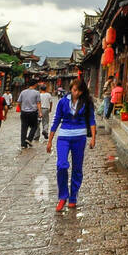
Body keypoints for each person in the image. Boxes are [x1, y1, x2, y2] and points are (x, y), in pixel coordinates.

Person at [48, 77, 97, 212]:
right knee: (62, 165)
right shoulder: (63, 102)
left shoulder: (86, 103)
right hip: (64, 137)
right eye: (73, 90)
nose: (75, 93)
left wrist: (93, 138)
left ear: (81, 92)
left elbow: (91, 120)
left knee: (77, 168)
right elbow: (56, 119)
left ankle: (73, 196)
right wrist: (50, 140)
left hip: (79, 137)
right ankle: (63, 195)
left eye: (78, 91)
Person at [17, 82, 41, 148]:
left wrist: (22, 108)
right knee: (34, 126)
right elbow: (38, 103)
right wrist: (40, 112)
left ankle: (23, 144)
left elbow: (18, 102)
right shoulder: (37, 92)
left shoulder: (23, 92)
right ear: (35, 85)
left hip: (24, 112)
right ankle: (29, 139)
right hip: (33, 112)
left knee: (24, 128)